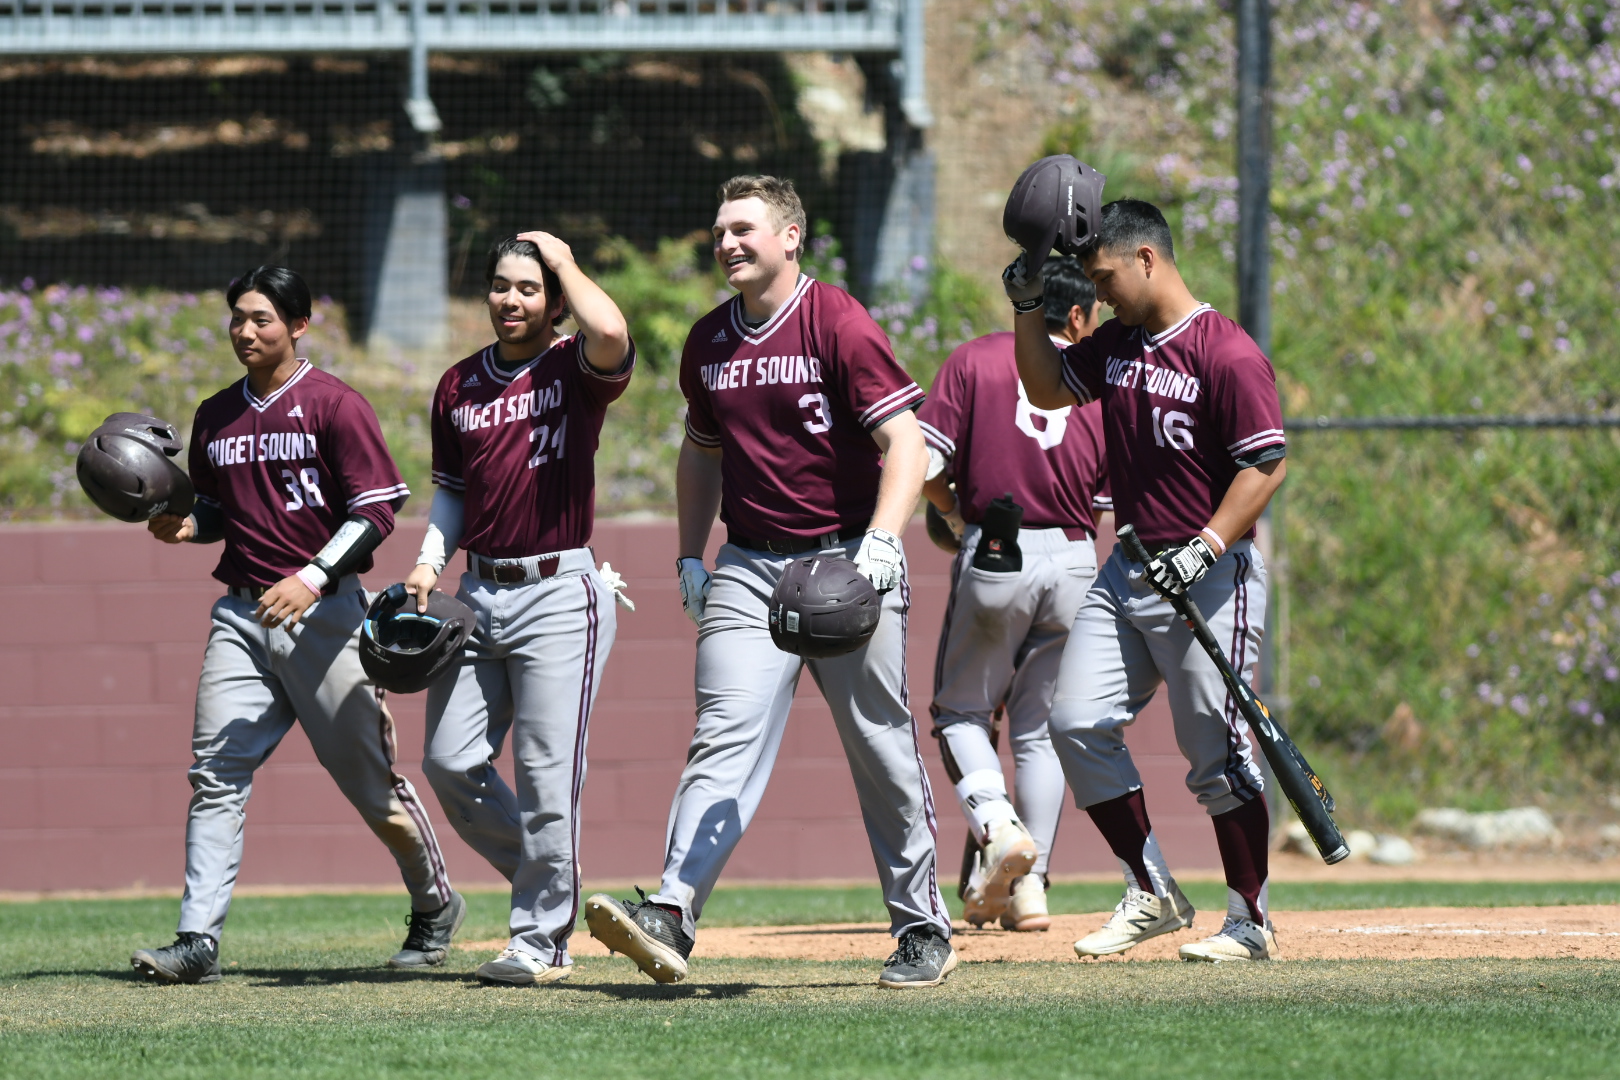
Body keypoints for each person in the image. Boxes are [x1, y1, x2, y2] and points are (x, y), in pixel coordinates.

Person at [584, 175, 956, 989]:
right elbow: (700, 450)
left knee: (879, 745)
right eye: (719, 231)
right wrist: (690, 553)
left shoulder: (840, 322)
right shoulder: (708, 340)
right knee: (722, 733)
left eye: (744, 228)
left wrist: (884, 544)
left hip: (847, 562)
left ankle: (923, 924)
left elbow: (906, 441)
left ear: (791, 237)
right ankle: (673, 913)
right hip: (750, 566)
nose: (727, 243)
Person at [131, 266, 460, 985]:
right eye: (237, 319)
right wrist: (189, 523)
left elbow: (375, 512)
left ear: (299, 325)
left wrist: (312, 577)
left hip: (329, 614)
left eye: (262, 319)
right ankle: (197, 940)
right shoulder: (215, 414)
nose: (245, 332)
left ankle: (435, 902)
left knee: (373, 787)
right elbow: (219, 509)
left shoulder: (335, 404)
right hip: (242, 615)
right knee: (216, 774)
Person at [1007, 197, 1288, 962]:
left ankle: (1250, 920)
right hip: (1130, 570)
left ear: (1146, 260)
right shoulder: (1122, 343)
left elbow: (1265, 465)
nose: (1098, 299)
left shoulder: (1225, 352)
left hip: (1209, 575)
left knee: (1217, 757)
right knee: (1074, 725)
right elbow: (1046, 388)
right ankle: (1151, 889)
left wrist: (1205, 544)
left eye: (1104, 279)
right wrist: (1030, 306)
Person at [404, 233, 635, 986]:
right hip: (479, 589)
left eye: (529, 289)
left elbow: (611, 334)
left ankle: (541, 939)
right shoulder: (458, 385)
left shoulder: (572, 366)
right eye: (501, 286)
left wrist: (563, 261)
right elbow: (453, 491)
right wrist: (429, 561)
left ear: (553, 300)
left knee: (545, 773)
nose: (511, 299)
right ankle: (550, 881)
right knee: (448, 761)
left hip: (558, 589)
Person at [918, 255, 1110, 933]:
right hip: (1077, 558)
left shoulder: (975, 360)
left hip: (999, 549)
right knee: (1038, 728)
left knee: (960, 714)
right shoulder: (1096, 376)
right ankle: (1032, 890)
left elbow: (926, 462)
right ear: (1080, 316)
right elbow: (1107, 496)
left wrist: (950, 511)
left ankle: (999, 830)